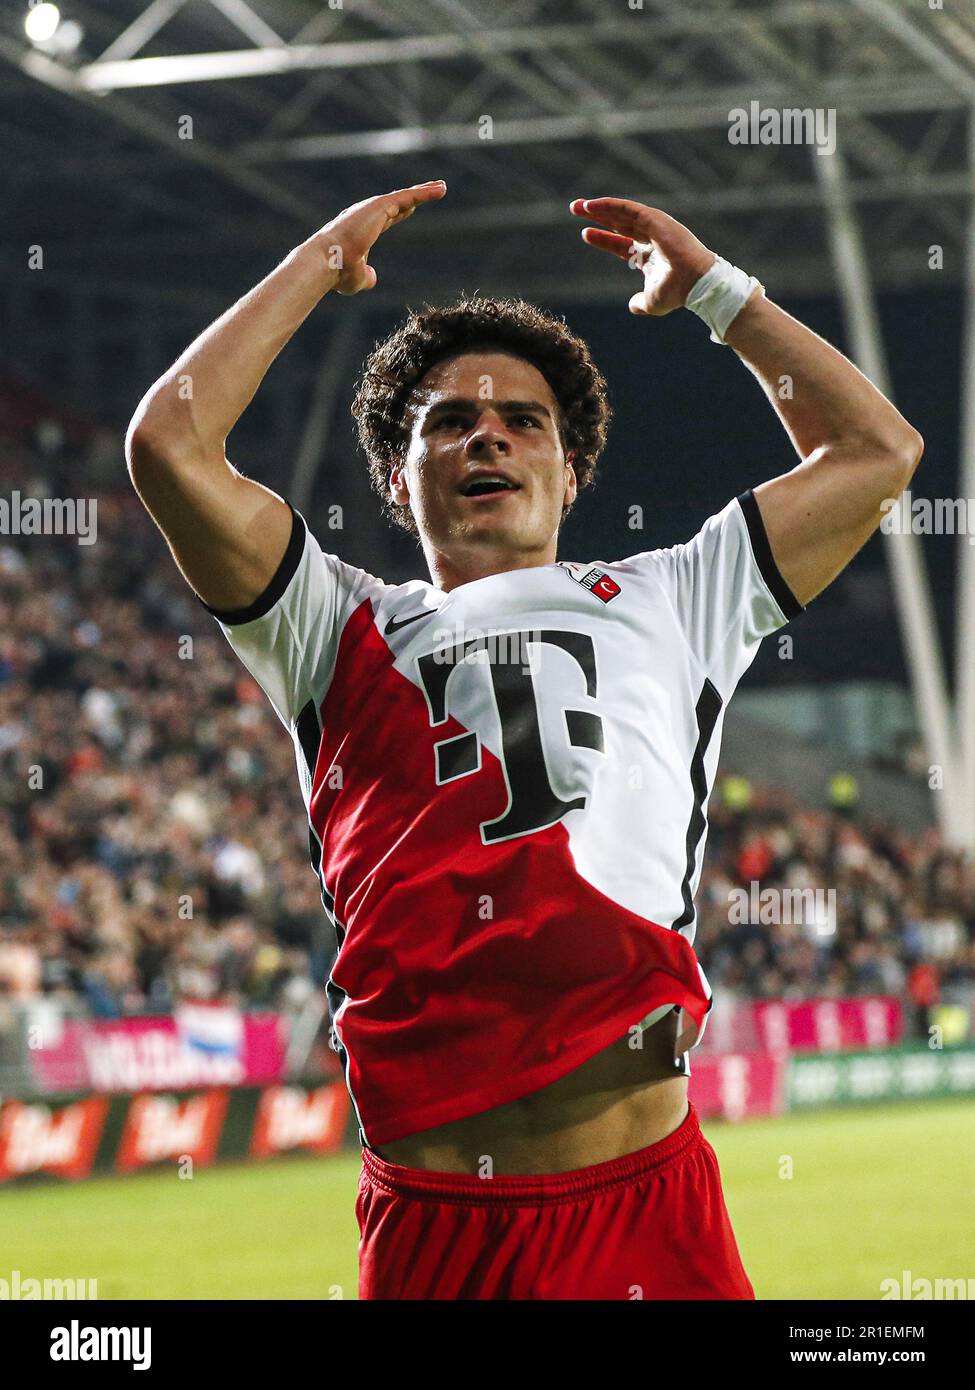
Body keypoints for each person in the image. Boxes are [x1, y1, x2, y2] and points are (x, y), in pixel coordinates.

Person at [126, 181, 923, 1300]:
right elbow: (169, 441)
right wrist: (315, 263)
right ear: (400, 480)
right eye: (447, 422)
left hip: (648, 1203)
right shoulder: (333, 624)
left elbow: (877, 449)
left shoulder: (678, 593)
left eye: (522, 421)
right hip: (438, 1227)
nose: (486, 435)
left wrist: (716, 294)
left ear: (571, 467)